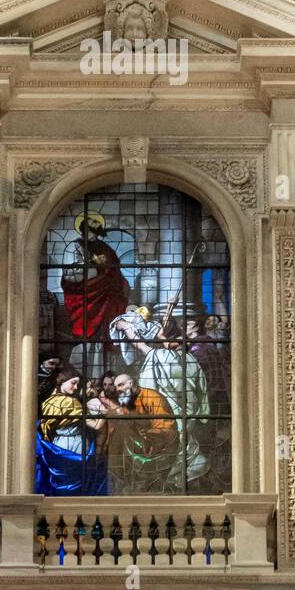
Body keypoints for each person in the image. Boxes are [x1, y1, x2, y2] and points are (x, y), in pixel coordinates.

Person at [136, 315, 210, 488]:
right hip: (188, 412)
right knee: (185, 446)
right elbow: (201, 388)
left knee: (175, 447)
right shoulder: (190, 359)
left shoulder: (157, 356)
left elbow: (146, 388)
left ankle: (173, 483)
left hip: (170, 413)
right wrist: (202, 412)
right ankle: (180, 482)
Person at [61, 212, 130, 372]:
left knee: (104, 336)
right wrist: (93, 264)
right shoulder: (75, 246)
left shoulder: (107, 249)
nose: (96, 225)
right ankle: (85, 374)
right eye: (92, 223)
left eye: (97, 223)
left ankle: (106, 375)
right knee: (88, 337)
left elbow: (115, 272)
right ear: (84, 227)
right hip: (84, 297)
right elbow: (70, 275)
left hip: (107, 298)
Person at [100, 372, 179, 494]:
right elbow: (128, 421)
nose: (118, 390)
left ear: (131, 383)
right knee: (119, 436)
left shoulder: (152, 396)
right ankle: (121, 483)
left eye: (120, 385)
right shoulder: (128, 400)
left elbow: (165, 427)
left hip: (160, 445)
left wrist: (147, 436)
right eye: (116, 387)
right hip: (139, 442)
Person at [35, 366, 107, 495]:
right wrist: (103, 414)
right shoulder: (71, 402)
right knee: (77, 483)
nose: (75, 387)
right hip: (75, 445)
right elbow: (96, 426)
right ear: (61, 381)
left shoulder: (47, 402)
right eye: (73, 383)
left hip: (57, 443)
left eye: (77, 384)